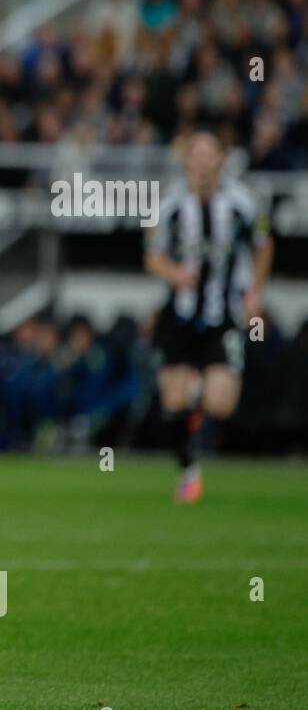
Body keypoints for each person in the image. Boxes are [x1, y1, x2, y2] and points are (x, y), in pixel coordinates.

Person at [146, 132, 273, 503]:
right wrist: (175, 274)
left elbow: (265, 245)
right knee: (171, 405)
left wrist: (255, 290)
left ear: (221, 159)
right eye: (195, 155)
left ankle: (199, 387)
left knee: (221, 404)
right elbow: (152, 256)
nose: (202, 162)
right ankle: (189, 472)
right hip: (180, 316)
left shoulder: (243, 203)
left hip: (224, 315)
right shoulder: (168, 203)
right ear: (187, 162)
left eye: (209, 155)